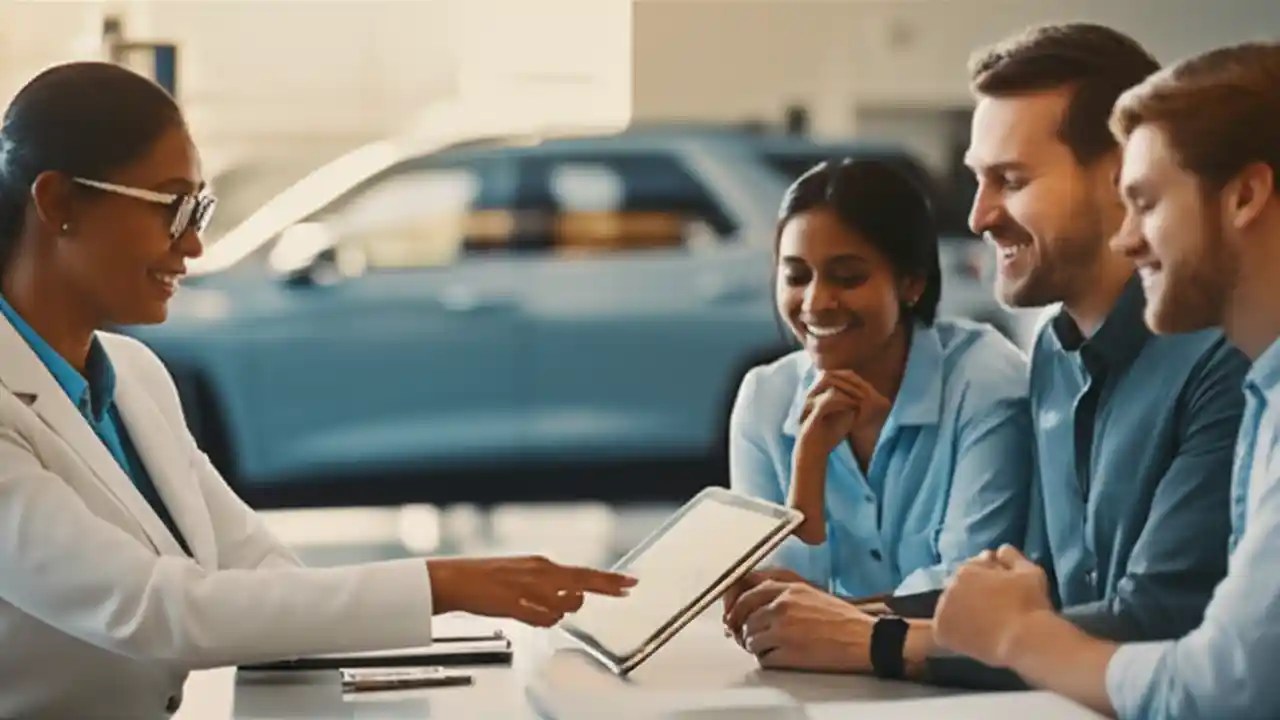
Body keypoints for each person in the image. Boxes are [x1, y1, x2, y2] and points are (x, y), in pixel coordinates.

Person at [0, 62, 634, 719]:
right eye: (172, 207)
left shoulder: (134, 376)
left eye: (199, 210)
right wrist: (443, 583)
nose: (192, 244)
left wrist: (443, 641)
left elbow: (260, 573)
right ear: (60, 205)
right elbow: (157, 609)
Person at [725, 23, 1248, 685]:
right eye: (978, 180)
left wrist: (882, 642)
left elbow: (1155, 618)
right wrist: (841, 624)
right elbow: (1049, 597)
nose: (977, 216)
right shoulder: (1056, 358)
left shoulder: (1223, 361)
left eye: (1010, 179)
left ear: (1122, 177)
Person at [936, 41, 1280, 720]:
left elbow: (1225, 686)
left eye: (1146, 202)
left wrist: (1013, 636)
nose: (1126, 238)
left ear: (1245, 196)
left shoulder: (1235, 373)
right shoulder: (1265, 389)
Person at [721, 158, 1033, 671]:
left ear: (911, 283)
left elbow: (969, 589)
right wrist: (810, 463)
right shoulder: (765, 398)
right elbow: (764, 609)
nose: (816, 303)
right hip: (822, 689)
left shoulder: (985, 383)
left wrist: (828, 625)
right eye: (796, 276)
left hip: (952, 686)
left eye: (847, 277)